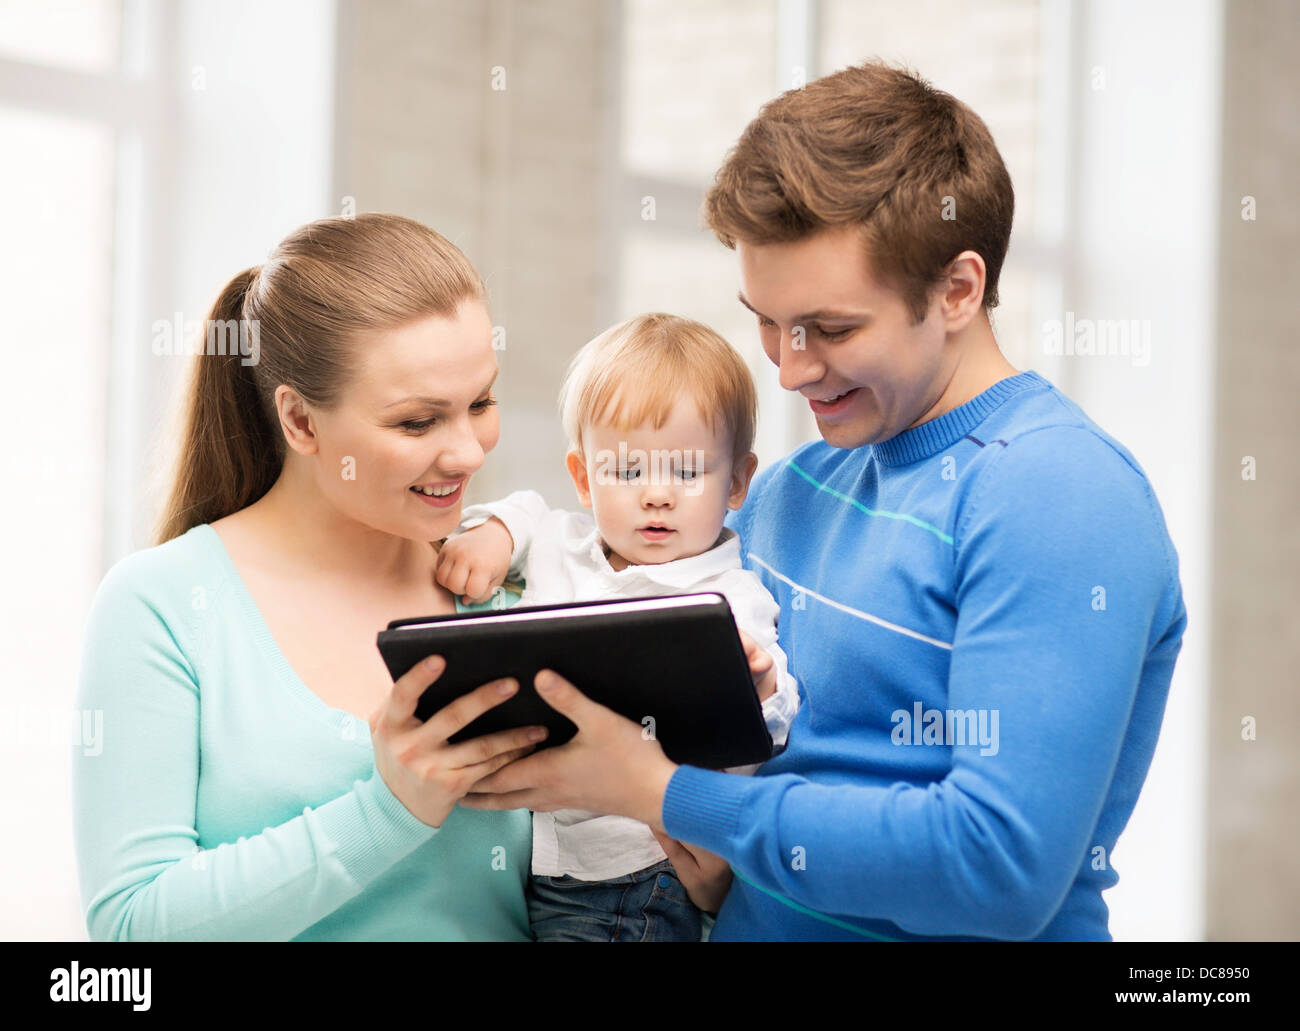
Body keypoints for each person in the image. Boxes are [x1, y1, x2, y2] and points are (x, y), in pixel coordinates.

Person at [460, 61, 1188, 941]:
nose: (790, 367)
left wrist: (664, 793)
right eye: (766, 320)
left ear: (957, 289)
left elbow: (997, 865)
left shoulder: (1061, 494)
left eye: (832, 329)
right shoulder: (785, 494)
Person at [71, 213, 549, 941]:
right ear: (299, 420)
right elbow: (133, 926)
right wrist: (388, 809)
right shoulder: (163, 605)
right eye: (418, 422)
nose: (466, 452)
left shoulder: (509, 589)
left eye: (479, 403)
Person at [435, 313, 800, 941]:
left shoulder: (727, 595)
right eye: (627, 472)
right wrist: (492, 535)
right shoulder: (560, 541)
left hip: (641, 872)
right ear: (583, 477)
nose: (656, 496)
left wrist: (761, 688)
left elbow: (778, 712)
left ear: (738, 480)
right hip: (538, 859)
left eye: (687, 473)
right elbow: (524, 511)